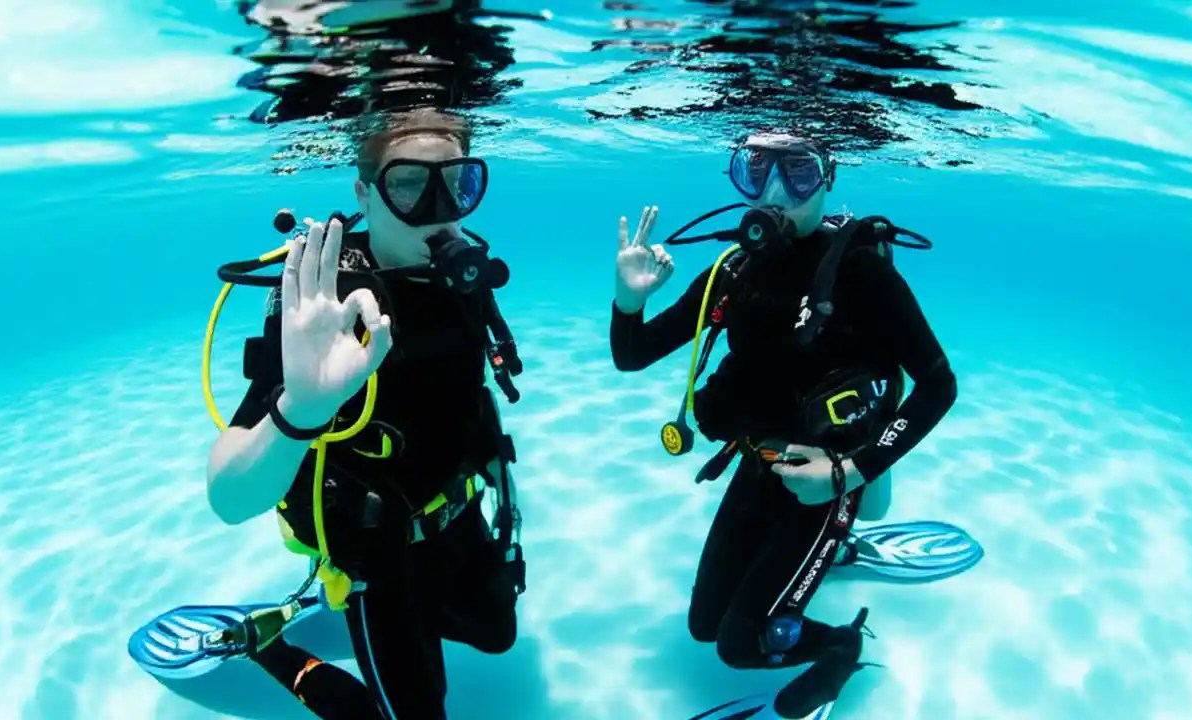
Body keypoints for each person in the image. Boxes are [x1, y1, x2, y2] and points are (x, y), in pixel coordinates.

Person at [609, 132, 957, 718]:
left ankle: (843, 645)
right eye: (756, 169)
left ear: (828, 177)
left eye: (796, 171)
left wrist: (851, 469)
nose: (774, 189)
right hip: (760, 463)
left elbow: (938, 384)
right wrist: (627, 299)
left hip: (829, 477)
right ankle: (832, 550)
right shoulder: (735, 270)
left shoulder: (861, 275)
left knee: (739, 643)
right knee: (703, 626)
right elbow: (634, 353)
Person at [204, 107, 526, 720]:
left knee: (496, 635)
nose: (440, 208)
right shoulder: (322, 308)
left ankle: (370, 626)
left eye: (458, 184)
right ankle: (277, 653)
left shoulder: (463, 283)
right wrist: (302, 408)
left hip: (456, 519)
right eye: (409, 184)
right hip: (379, 557)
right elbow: (227, 498)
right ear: (363, 193)